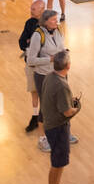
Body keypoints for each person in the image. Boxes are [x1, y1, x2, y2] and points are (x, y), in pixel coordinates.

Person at [25, 10, 75, 152]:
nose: (56, 22)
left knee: (65, 103)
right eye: (53, 19)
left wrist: (65, 53)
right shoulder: (37, 35)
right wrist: (50, 59)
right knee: (46, 108)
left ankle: (66, 133)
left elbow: (61, 47)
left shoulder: (58, 30)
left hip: (60, 73)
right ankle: (42, 139)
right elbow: (31, 60)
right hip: (44, 76)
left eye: (56, 19)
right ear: (45, 21)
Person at [40, 51, 81, 184]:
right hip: (58, 127)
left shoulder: (50, 76)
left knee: (59, 162)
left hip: (50, 124)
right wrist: (76, 109)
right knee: (57, 164)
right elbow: (67, 112)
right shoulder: (62, 85)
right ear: (68, 66)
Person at [19, 0, 46, 132]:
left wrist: (32, 42)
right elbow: (22, 42)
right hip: (31, 64)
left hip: (44, 65)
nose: (30, 11)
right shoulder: (29, 23)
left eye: (33, 9)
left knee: (45, 93)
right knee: (34, 91)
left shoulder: (48, 24)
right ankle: (35, 117)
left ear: (42, 10)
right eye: (31, 8)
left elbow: (46, 46)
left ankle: (45, 117)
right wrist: (30, 43)